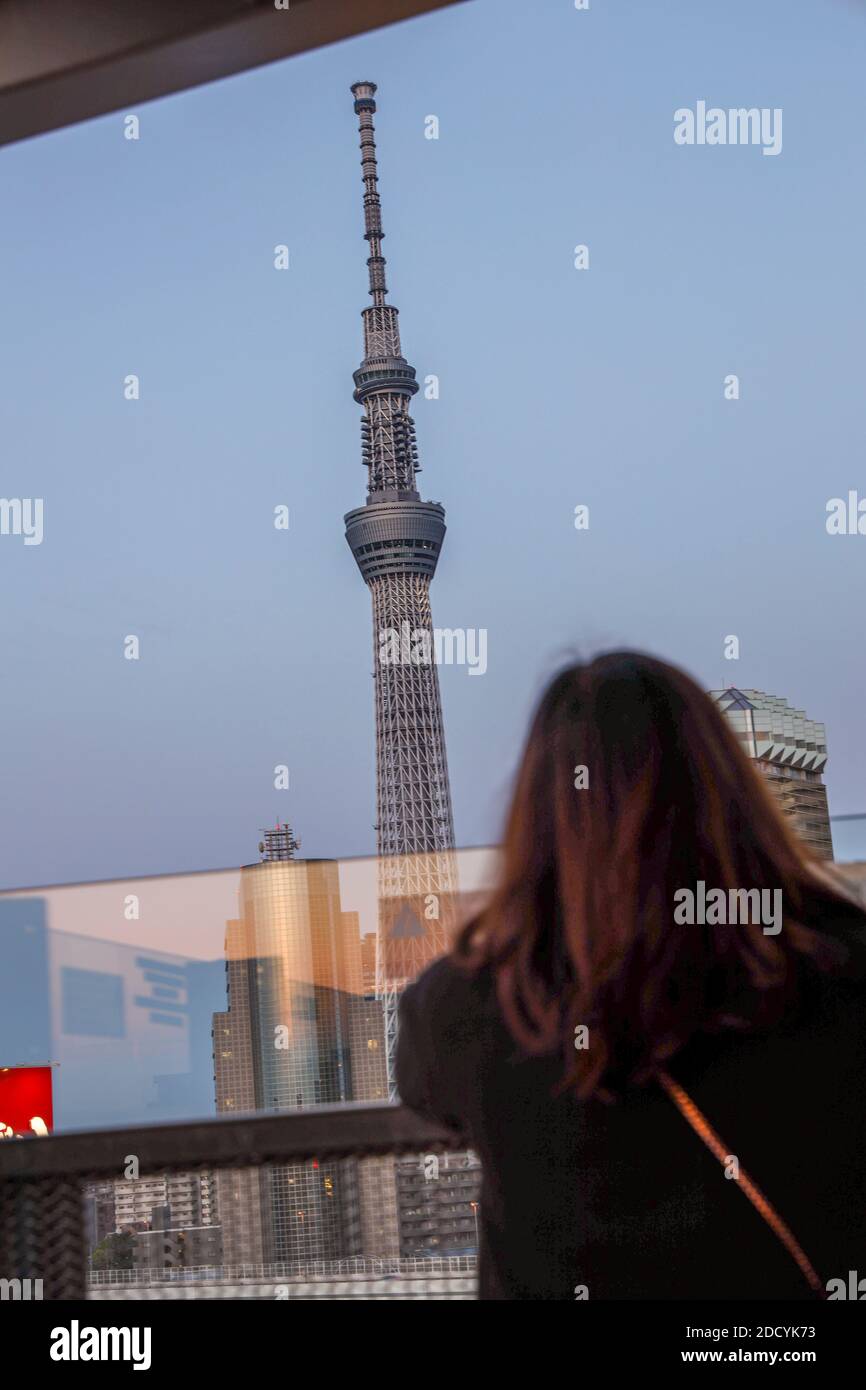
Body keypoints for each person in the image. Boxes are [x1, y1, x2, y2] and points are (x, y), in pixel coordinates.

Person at [395, 651, 866, 1300]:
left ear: (540, 816)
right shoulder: (831, 964)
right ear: (728, 792)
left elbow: (424, 1087)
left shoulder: (474, 1005)